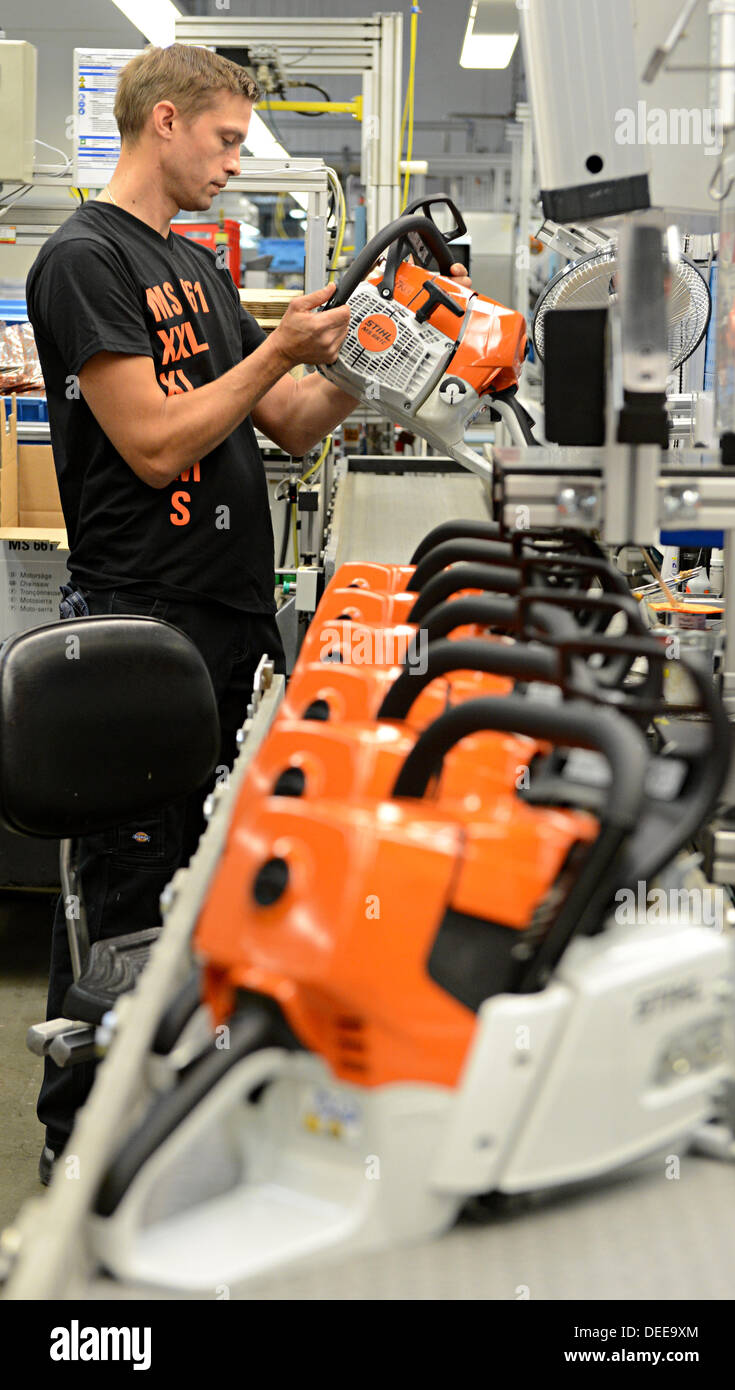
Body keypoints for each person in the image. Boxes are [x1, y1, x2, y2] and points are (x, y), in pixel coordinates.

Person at [25, 42, 471, 1181]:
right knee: (132, 907)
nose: (235, 161)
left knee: (217, 897)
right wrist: (277, 340)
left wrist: (385, 349)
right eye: (225, 139)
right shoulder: (85, 260)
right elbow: (154, 438)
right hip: (141, 624)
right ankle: (88, 1159)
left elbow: (287, 422)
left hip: (229, 624)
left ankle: (188, 1133)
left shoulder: (199, 270)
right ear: (163, 122)